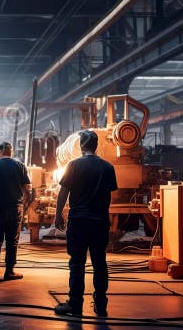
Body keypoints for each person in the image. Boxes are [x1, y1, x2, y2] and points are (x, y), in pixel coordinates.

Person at [53, 130, 118, 317]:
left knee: (77, 263)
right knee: (99, 262)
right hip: (99, 222)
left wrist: (58, 215)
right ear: (96, 145)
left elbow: (63, 193)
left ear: (81, 146)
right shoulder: (107, 167)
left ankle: (75, 304)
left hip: (79, 222)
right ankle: (101, 305)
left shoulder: (73, 165)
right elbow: (109, 194)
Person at [0, 142, 32, 282]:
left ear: (0, 151)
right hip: (15, 208)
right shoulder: (20, 166)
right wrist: (25, 202)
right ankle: (9, 271)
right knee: (12, 241)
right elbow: (27, 187)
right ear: (12, 152)